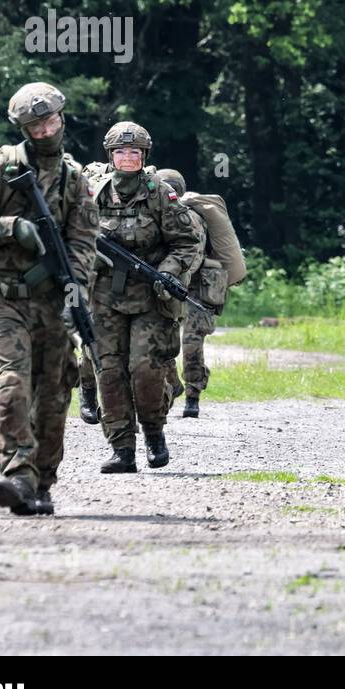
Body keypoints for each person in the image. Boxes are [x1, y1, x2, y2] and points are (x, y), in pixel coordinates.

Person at [0, 82, 98, 516]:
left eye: (50, 121)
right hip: (3, 296)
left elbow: (83, 243)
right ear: (23, 128)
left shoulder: (75, 180)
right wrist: (8, 228)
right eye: (35, 125)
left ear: (62, 119)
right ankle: (18, 473)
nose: (45, 130)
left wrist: (76, 294)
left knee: (53, 395)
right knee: (13, 381)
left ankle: (42, 481)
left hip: (52, 300)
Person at [88, 123, 203, 473]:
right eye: (120, 152)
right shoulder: (93, 192)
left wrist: (167, 272)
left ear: (144, 156)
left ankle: (154, 432)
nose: (127, 158)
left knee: (145, 369)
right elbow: (72, 236)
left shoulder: (159, 193)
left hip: (152, 298)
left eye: (134, 152)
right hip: (104, 298)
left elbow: (187, 242)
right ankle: (122, 449)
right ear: (110, 156)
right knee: (108, 370)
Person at [154, 168, 227, 419]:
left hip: (192, 286)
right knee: (172, 340)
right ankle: (180, 388)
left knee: (188, 340)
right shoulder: (165, 215)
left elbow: (191, 255)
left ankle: (191, 394)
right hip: (178, 284)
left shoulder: (190, 218)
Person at [74, 159, 111, 426]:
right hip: (91, 280)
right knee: (91, 341)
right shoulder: (86, 197)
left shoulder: (141, 193)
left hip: (129, 283)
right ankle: (88, 393)